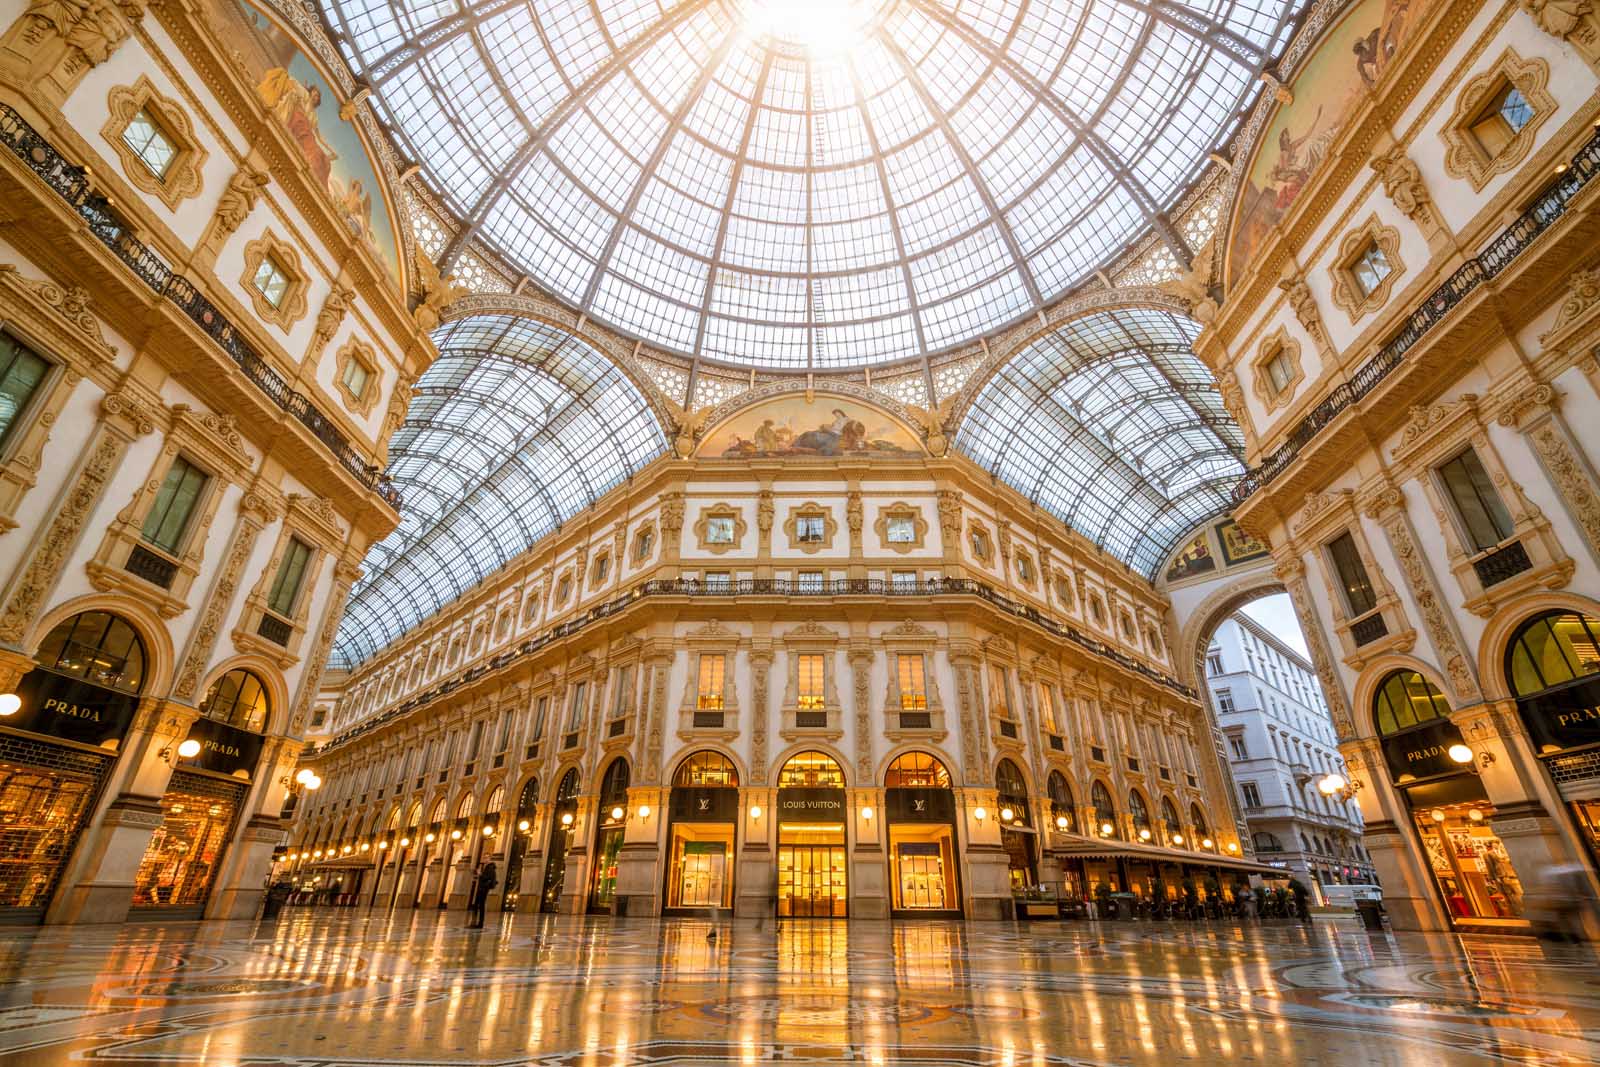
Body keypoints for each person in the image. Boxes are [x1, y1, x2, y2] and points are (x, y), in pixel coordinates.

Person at [468, 861, 497, 928]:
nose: (485, 859)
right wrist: (477, 875)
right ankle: (474, 922)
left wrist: (480, 874)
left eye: (487, 858)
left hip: (484, 889)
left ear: (489, 859)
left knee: (481, 906)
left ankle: (480, 924)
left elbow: (487, 878)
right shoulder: (484, 867)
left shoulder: (490, 868)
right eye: (484, 858)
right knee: (476, 905)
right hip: (480, 888)